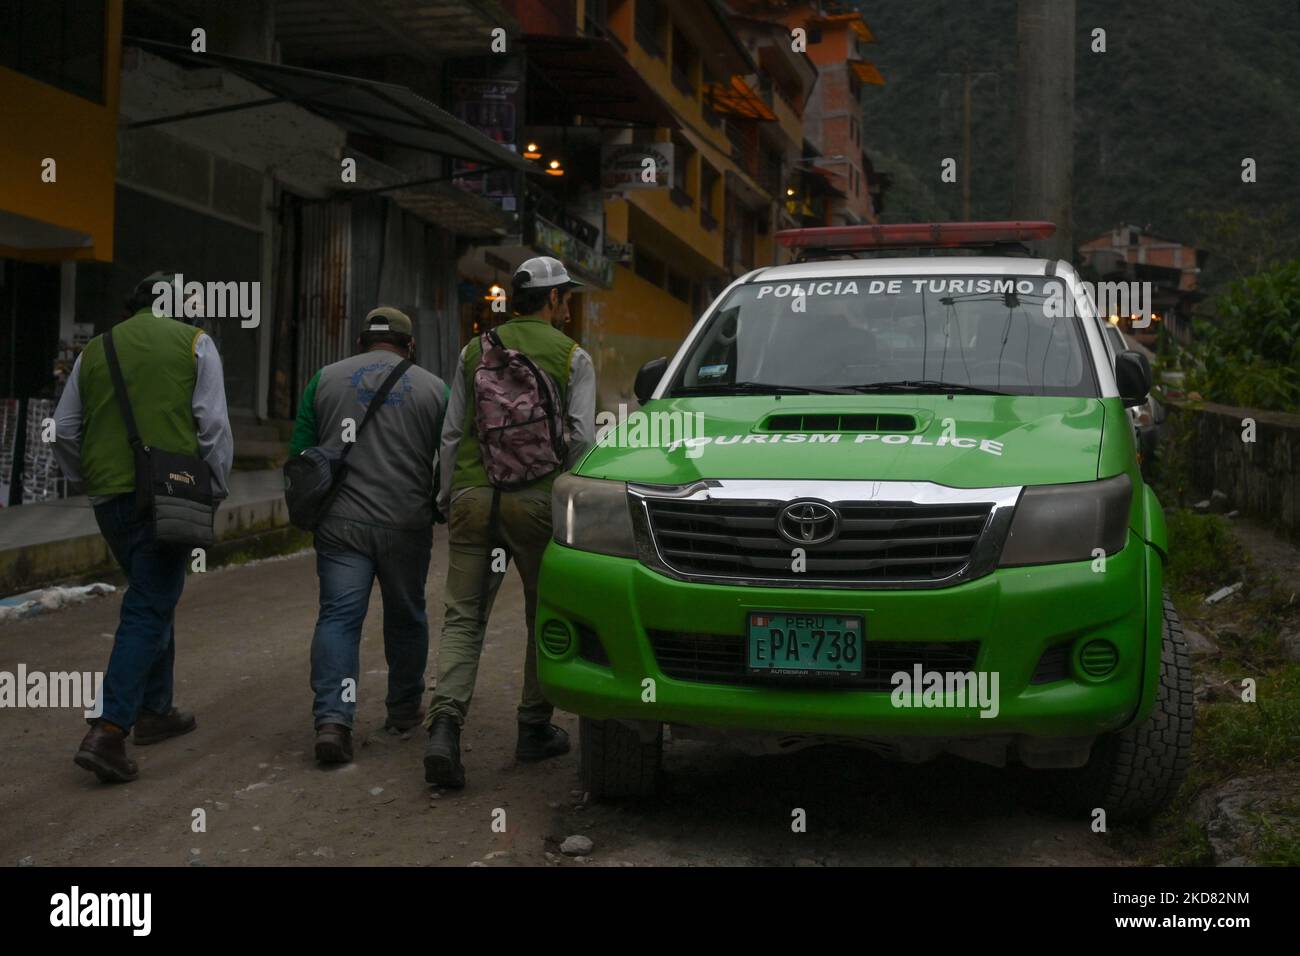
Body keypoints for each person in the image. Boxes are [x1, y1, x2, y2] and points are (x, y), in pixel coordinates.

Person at [54, 271, 234, 783]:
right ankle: (109, 730)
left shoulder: (95, 350)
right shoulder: (196, 343)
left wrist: (89, 475)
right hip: (170, 494)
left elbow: (65, 429)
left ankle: (157, 708)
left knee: (152, 593)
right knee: (148, 604)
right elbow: (214, 427)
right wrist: (214, 488)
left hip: (109, 497)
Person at [423, 256, 596, 789]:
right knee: (542, 616)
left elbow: (453, 433)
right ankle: (532, 728)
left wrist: (448, 494)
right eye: (565, 298)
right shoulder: (573, 358)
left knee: (463, 617)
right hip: (538, 503)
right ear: (552, 301)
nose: (567, 307)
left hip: (475, 498)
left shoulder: (476, 349)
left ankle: (444, 729)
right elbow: (584, 439)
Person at [290, 307, 448, 764]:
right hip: (406, 524)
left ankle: (334, 722)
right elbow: (451, 456)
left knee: (339, 618)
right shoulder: (435, 388)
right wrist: (437, 502)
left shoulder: (324, 379)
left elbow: (300, 453)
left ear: (361, 343)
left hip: (340, 525)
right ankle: (402, 709)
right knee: (406, 616)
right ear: (409, 345)